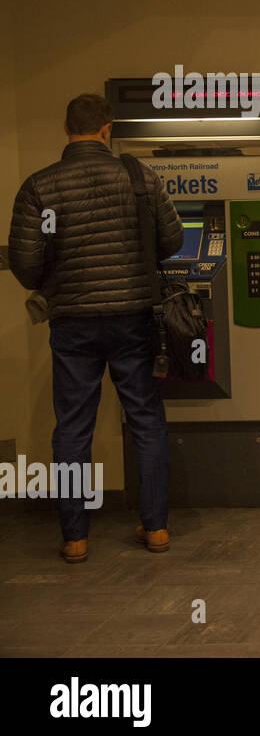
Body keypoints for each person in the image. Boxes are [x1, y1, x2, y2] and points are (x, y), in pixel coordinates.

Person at [7, 93, 183, 563]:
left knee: (72, 428)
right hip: (133, 317)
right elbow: (172, 239)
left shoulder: (41, 187)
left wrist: (58, 276)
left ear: (67, 130)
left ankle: (75, 537)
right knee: (144, 418)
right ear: (107, 128)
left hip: (73, 323)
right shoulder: (139, 176)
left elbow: (24, 263)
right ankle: (157, 530)